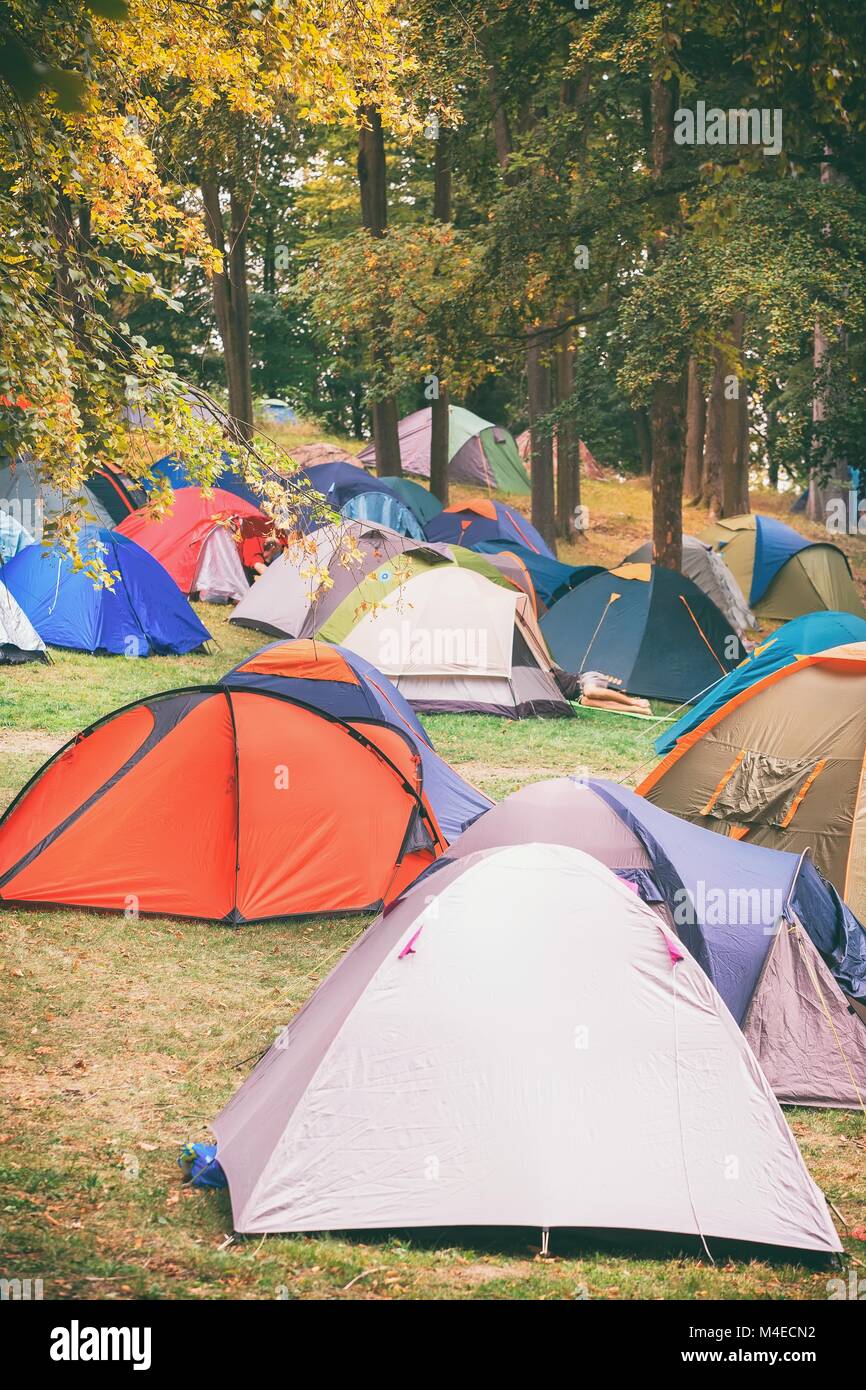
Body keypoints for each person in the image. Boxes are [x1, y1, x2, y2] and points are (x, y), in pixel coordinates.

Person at [578, 669, 651, 714]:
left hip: (584, 678)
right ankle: (636, 709)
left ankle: (634, 702)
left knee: (590, 692)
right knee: (585, 701)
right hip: (578, 695)